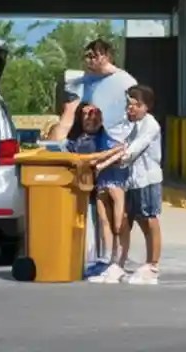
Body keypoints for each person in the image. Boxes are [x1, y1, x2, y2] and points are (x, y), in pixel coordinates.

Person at [47, 102, 127, 279]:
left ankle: (109, 259)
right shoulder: (78, 139)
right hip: (86, 189)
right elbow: (60, 147)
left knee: (111, 223)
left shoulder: (103, 137)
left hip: (102, 186)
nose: (92, 119)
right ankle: (100, 259)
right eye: (87, 115)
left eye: (95, 115)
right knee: (94, 225)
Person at [93, 84, 163, 285]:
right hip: (130, 181)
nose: (131, 108)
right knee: (124, 221)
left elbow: (130, 152)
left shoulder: (150, 125)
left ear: (146, 107)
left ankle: (152, 265)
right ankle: (118, 264)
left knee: (148, 220)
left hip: (147, 180)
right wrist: (100, 162)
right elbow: (120, 147)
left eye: (136, 105)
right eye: (129, 104)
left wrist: (100, 164)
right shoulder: (131, 125)